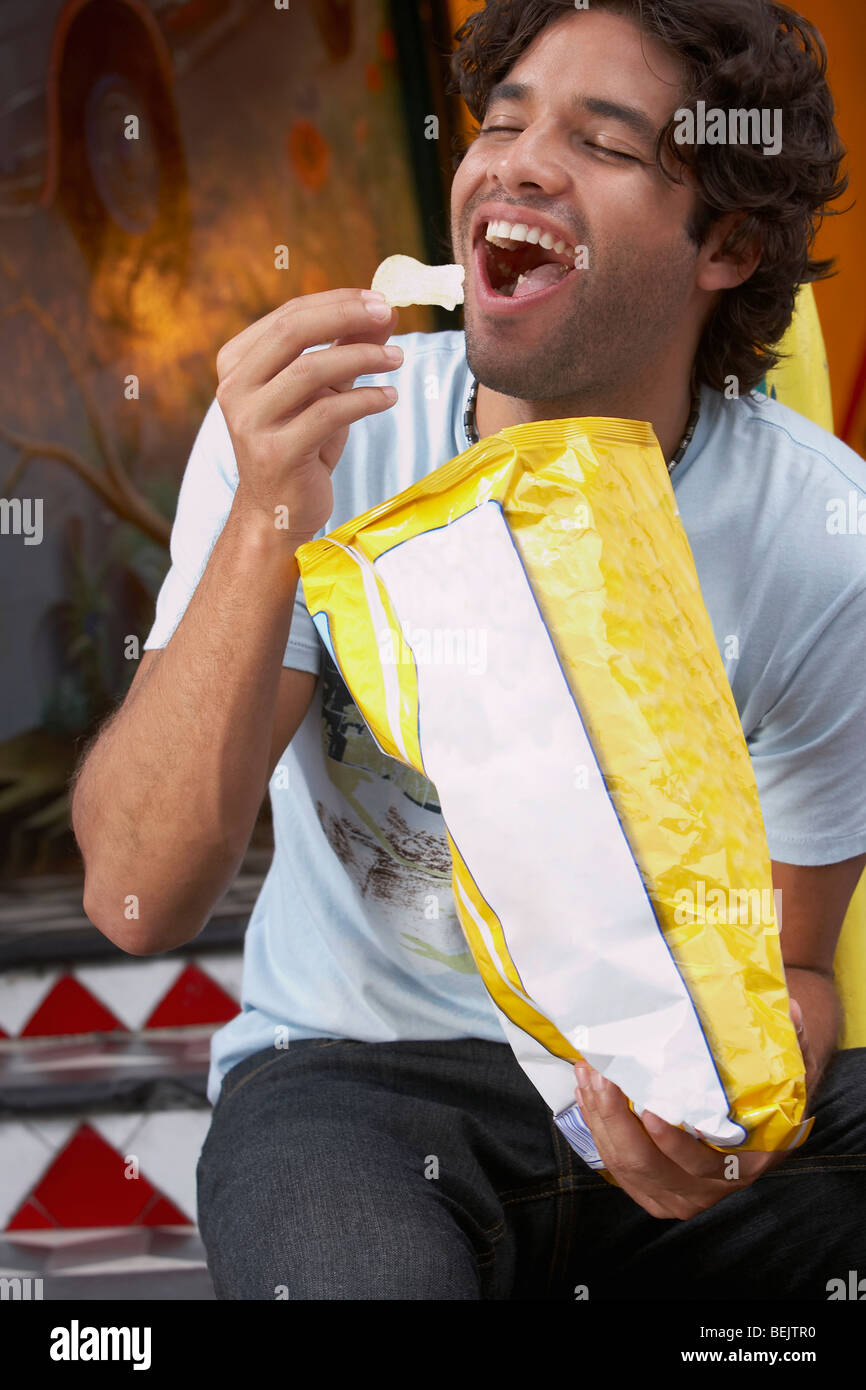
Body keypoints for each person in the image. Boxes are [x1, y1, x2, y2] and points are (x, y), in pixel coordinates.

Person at [71, 0, 866, 1300]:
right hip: (353, 1078)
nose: (517, 162)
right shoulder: (327, 445)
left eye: (602, 142)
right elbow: (134, 897)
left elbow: (785, 963)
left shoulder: (819, 539)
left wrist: (733, 1120)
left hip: (644, 1058)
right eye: (501, 123)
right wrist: (272, 516)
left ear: (722, 240)